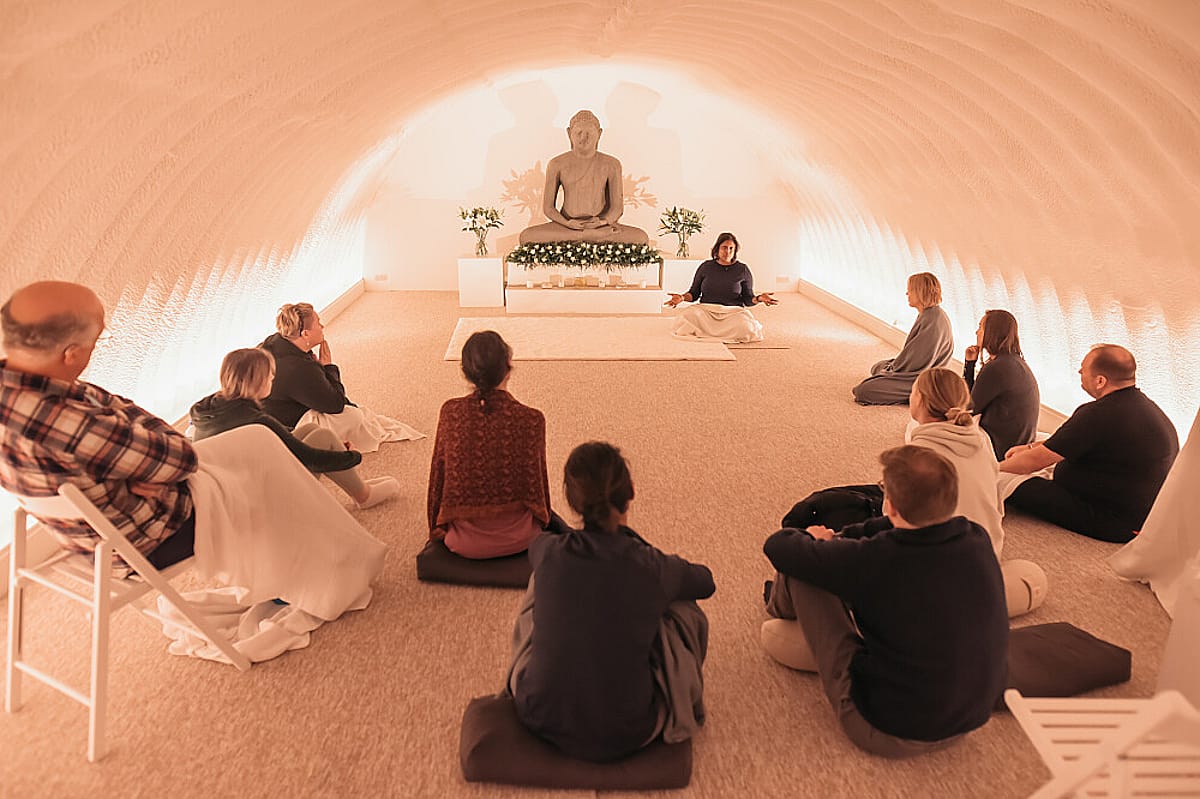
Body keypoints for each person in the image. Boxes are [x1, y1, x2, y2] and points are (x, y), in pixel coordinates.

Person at [762, 445, 1008, 758]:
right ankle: (795, 591)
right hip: (970, 720)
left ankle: (780, 607)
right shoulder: (975, 536)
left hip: (886, 728)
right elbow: (881, 530)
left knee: (803, 570)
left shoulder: (875, 559)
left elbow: (778, 545)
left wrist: (814, 540)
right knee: (826, 562)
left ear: (888, 504)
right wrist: (840, 540)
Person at [509, 442, 714, 762]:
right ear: (630, 491)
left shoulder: (549, 551)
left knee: (541, 584)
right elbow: (705, 582)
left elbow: (541, 543)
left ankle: (554, 677)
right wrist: (644, 551)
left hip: (539, 714)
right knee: (683, 607)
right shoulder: (652, 566)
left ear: (574, 501)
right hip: (630, 729)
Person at [0, 282, 198, 570]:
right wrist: (123, 427)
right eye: (98, 338)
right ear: (71, 354)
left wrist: (123, 473)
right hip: (144, 545)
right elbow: (182, 457)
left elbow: (107, 404)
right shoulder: (69, 424)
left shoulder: (23, 390)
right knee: (258, 465)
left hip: (78, 539)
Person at [1001, 344, 1179, 543]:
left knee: (1005, 481)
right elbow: (1065, 442)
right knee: (1030, 459)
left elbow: (1034, 462)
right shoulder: (1148, 409)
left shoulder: (1099, 413)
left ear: (1100, 380)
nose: (1079, 372)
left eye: (1083, 369)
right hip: (1139, 515)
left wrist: (990, 468)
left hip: (1109, 519)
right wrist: (1029, 447)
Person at [908, 368, 1046, 616]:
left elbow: (902, 522)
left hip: (939, 568)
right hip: (987, 554)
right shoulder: (981, 439)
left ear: (919, 399)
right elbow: (996, 506)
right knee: (1032, 577)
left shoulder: (918, 452)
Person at [190, 348, 399, 509]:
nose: (273, 378)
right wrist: (352, 456)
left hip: (234, 490)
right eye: (271, 375)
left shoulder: (208, 411)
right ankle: (364, 495)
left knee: (310, 430)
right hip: (261, 497)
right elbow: (310, 458)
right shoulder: (257, 421)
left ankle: (357, 486)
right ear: (260, 380)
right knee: (324, 436)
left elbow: (283, 438)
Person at [427, 331, 549, 558]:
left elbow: (438, 478)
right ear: (508, 366)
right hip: (522, 538)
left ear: (465, 371)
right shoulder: (532, 419)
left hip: (461, 543)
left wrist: (435, 528)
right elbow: (538, 487)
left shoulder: (450, 413)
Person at [260, 302, 422, 452]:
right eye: (318, 322)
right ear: (306, 334)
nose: (322, 326)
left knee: (354, 411)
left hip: (269, 416)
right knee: (354, 417)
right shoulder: (301, 369)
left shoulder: (274, 342)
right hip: (289, 426)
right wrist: (328, 367)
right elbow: (336, 404)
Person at [517, 109, 649, 245]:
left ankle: (583, 236)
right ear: (569, 133)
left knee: (641, 237)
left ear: (599, 134)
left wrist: (602, 221)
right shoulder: (557, 164)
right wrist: (567, 223)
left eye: (589, 133)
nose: (583, 138)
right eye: (578, 133)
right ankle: (589, 236)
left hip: (600, 226)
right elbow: (548, 208)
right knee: (527, 236)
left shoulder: (612, 164)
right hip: (567, 226)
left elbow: (617, 208)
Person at [852, 273, 953, 405]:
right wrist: (892, 368)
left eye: (910, 290)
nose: (907, 293)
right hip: (912, 370)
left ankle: (922, 395)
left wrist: (893, 371)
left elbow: (917, 364)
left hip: (923, 378)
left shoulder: (933, 320)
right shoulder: (928, 314)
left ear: (920, 291)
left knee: (864, 391)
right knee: (877, 367)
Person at [664, 232, 778, 343]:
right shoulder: (706, 267)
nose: (727, 252)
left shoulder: (742, 269)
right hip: (706, 311)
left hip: (732, 312)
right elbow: (694, 293)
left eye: (731, 248)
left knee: (746, 328)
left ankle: (711, 332)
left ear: (735, 251)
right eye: (724, 247)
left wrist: (759, 299)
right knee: (686, 318)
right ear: (717, 249)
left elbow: (748, 299)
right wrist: (682, 298)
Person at [963, 309, 1040, 459]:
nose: (976, 332)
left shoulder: (997, 368)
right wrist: (970, 363)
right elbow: (972, 398)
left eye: (981, 327)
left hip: (1001, 448)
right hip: (1019, 442)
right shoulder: (1014, 361)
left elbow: (967, 407)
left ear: (992, 332)